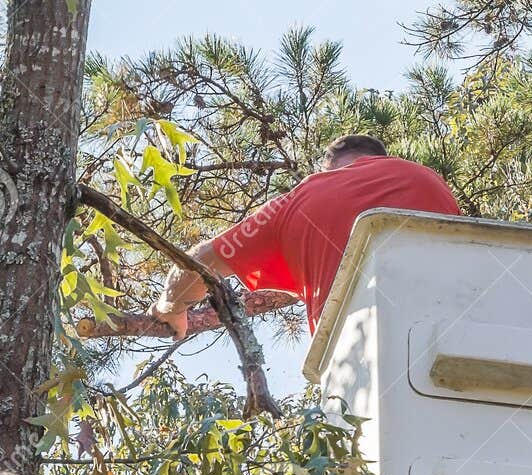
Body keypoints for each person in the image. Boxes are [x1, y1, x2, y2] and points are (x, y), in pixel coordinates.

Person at [152, 134, 461, 337]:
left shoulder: (306, 195)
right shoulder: (428, 179)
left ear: (332, 168)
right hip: (458, 336)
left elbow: (200, 262)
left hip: (353, 352)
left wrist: (171, 307)